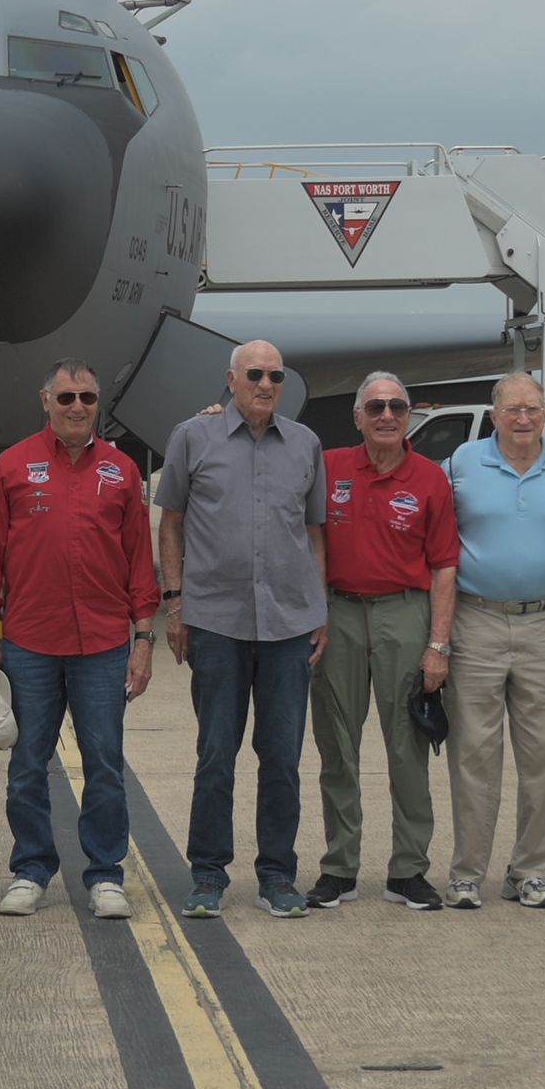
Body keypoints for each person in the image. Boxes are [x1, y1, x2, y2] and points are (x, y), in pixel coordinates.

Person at [0, 359, 158, 921]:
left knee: (104, 763)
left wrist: (143, 639)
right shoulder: (12, 466)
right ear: (45, 400)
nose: (78, 406)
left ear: (99, 404)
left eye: (88, 398)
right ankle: (30, 870)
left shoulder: (122, 471)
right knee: (28, 763)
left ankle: (104, 875)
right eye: (67, 396)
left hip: (102, 645)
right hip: (29, 642)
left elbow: (138, 565)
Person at [157, 340, 327, 920]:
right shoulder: (191, 437)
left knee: (281, 757)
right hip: (216, 622)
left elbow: (315, 532)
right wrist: (175, 606)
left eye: (275, 375)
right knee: (215, 756)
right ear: (230, 380)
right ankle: (207, 875)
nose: (266, 383)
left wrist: (319, 609)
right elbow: (171, 525)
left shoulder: (305, 444)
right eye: (254, 374)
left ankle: (278, 875)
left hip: (288, 624)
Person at [305, 371, 456, 912]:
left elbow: (443, 567)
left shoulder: (431, 478)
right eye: (375, 408)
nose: (386, 416)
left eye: (396, 406)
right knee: (336, 746)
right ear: (357, 418)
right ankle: (339, 867)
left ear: (410, 414)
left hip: (404, 614)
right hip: (339, 613)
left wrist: (438, 644)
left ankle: (409, 870)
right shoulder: (329, 468)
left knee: (407, 747)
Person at [442, 371, 545, 911]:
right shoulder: (460, 464)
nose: (523, 418)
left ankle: (531, 872)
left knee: (542, 757)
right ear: (494, 412)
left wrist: (537, 601)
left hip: (544, 625)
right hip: (476, 621)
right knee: (473, 756)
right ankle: (466, 874)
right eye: (513, 409)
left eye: (533, 409)